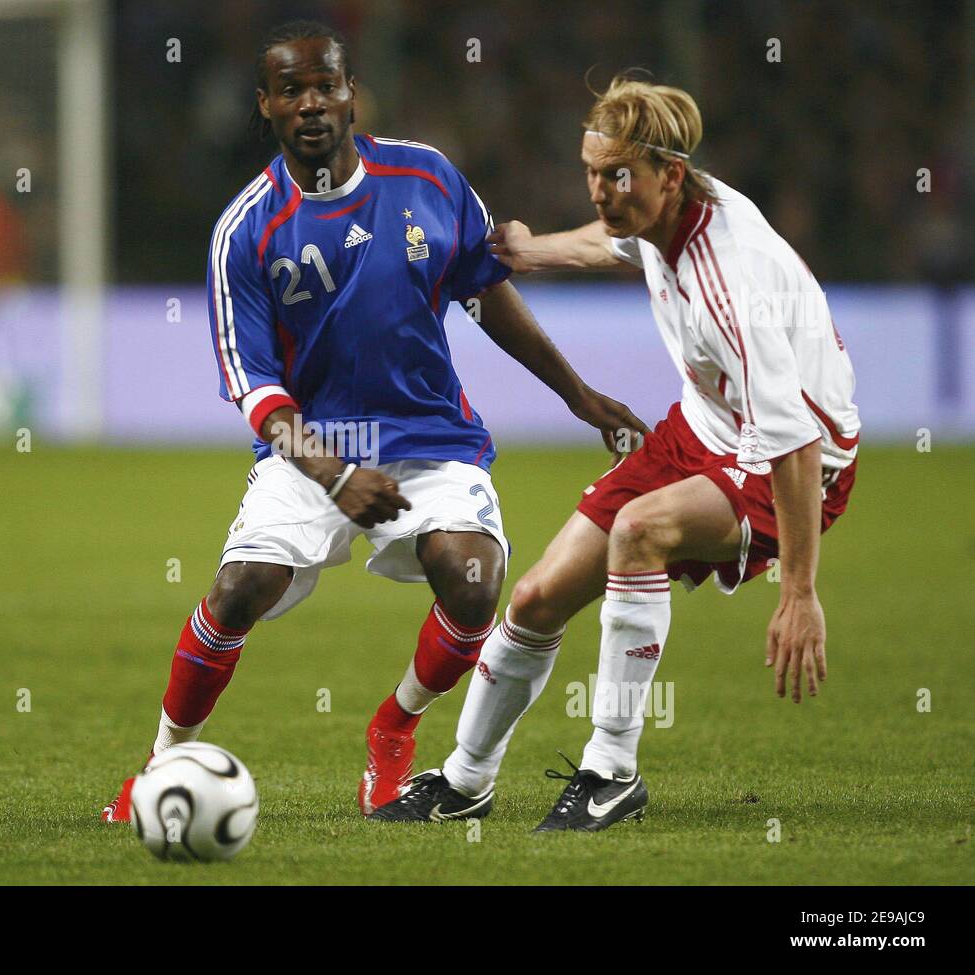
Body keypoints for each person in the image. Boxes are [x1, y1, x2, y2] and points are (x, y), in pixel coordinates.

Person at [104, 23, 645, 822]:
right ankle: (163, 760)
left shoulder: (427, 177)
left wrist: (577, 394)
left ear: (352, 92)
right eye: (292, 90)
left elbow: (486, 290)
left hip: (429, 438)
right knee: (235, 590)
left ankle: (395, 726)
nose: (312, 103)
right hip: (310, 450)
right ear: (267, 106)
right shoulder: (246, 230)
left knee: (473, 581)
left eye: (326, 84)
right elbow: (255, 393)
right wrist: (335, 473)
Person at [370, 73, 860, 830]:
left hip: (793, 458)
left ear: (669, 174)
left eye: (617, 175)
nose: (601, 190)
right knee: (534, 597)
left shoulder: (735, 274)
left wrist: (799, 591)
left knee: (639, 530)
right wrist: (534, 252)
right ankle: (467, 779)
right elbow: (614, 240)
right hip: (706, 428)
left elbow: (792, 437)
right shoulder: (666, 208)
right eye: (592, 172)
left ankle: (611, 769)